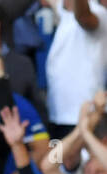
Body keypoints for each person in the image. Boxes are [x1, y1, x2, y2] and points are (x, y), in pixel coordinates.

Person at [44, 0, 107, 137]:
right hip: (57, 115)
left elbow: (83, 17)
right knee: (58, 158)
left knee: (88, 158)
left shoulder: (100, 13)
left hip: (84, 115)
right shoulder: (63, 10)